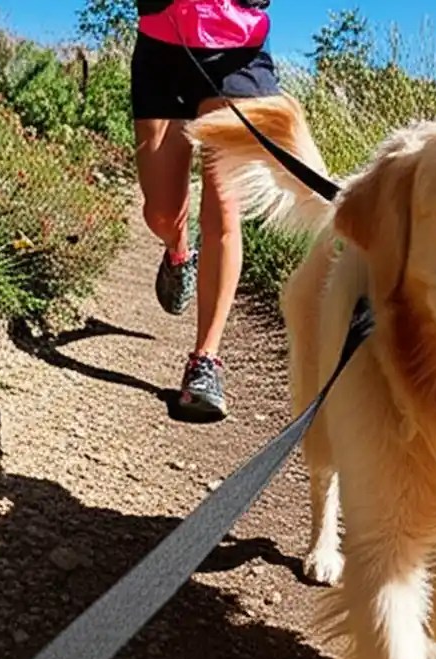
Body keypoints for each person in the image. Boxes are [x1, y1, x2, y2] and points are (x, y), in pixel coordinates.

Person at [131, 0, 277, 421]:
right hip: (163, 42)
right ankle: (179, 252)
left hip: (239, 56)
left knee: (224, 204)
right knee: (160, 213)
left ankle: (205, 361)